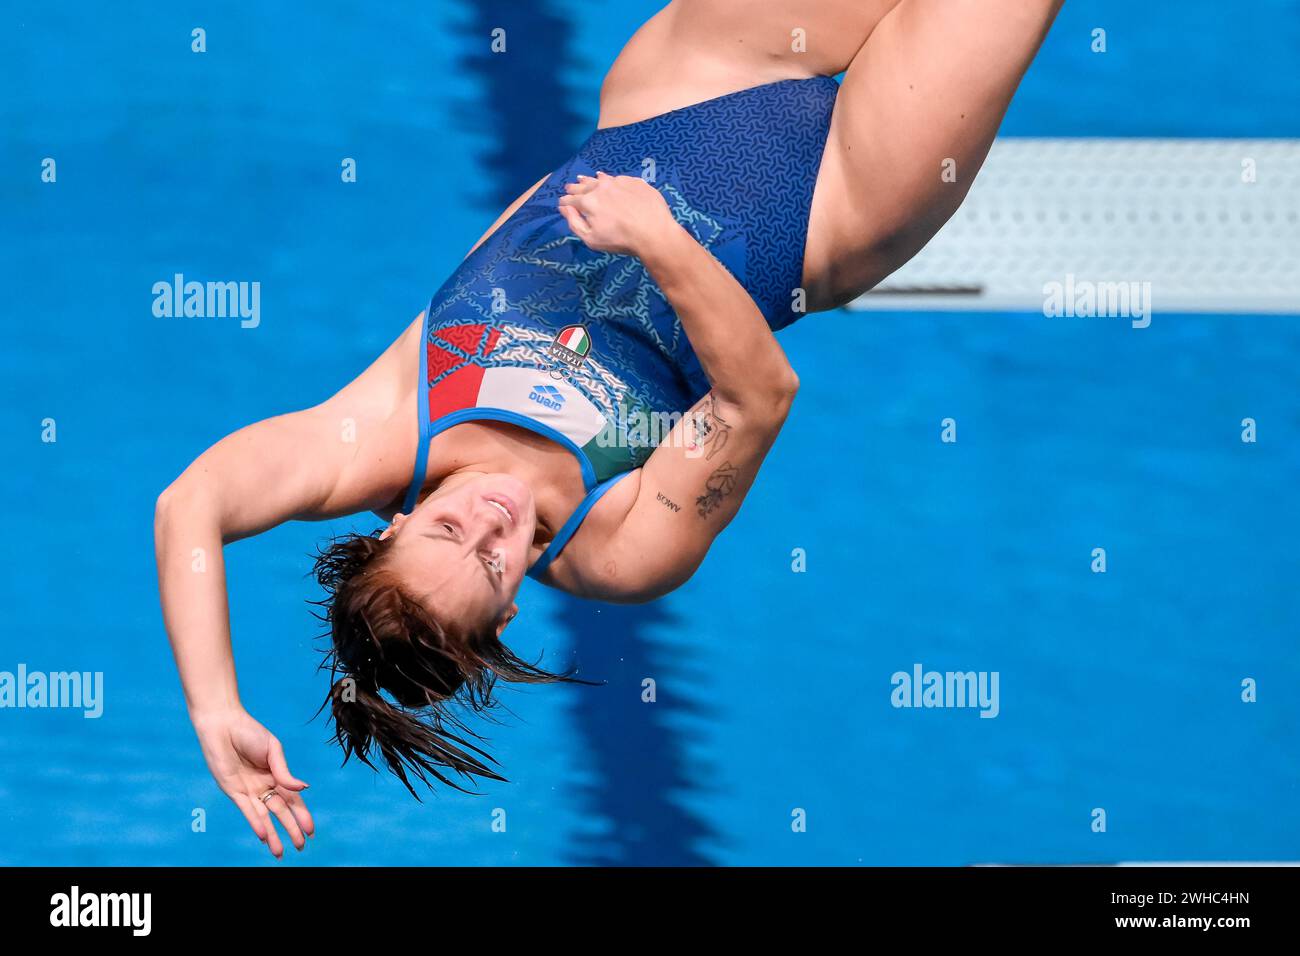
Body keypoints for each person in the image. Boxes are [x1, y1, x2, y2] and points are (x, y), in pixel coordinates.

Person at [155, 0, 1064, 858]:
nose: (492, 519)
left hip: (693, 82)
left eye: (445, 528)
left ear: (394, 524)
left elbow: (192, 501)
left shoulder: (386, 431)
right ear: (512, 606)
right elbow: (760, 396)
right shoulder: (620, 548)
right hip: (835, 203)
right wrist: (664, 245)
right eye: (490, 562)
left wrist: (213, 706)